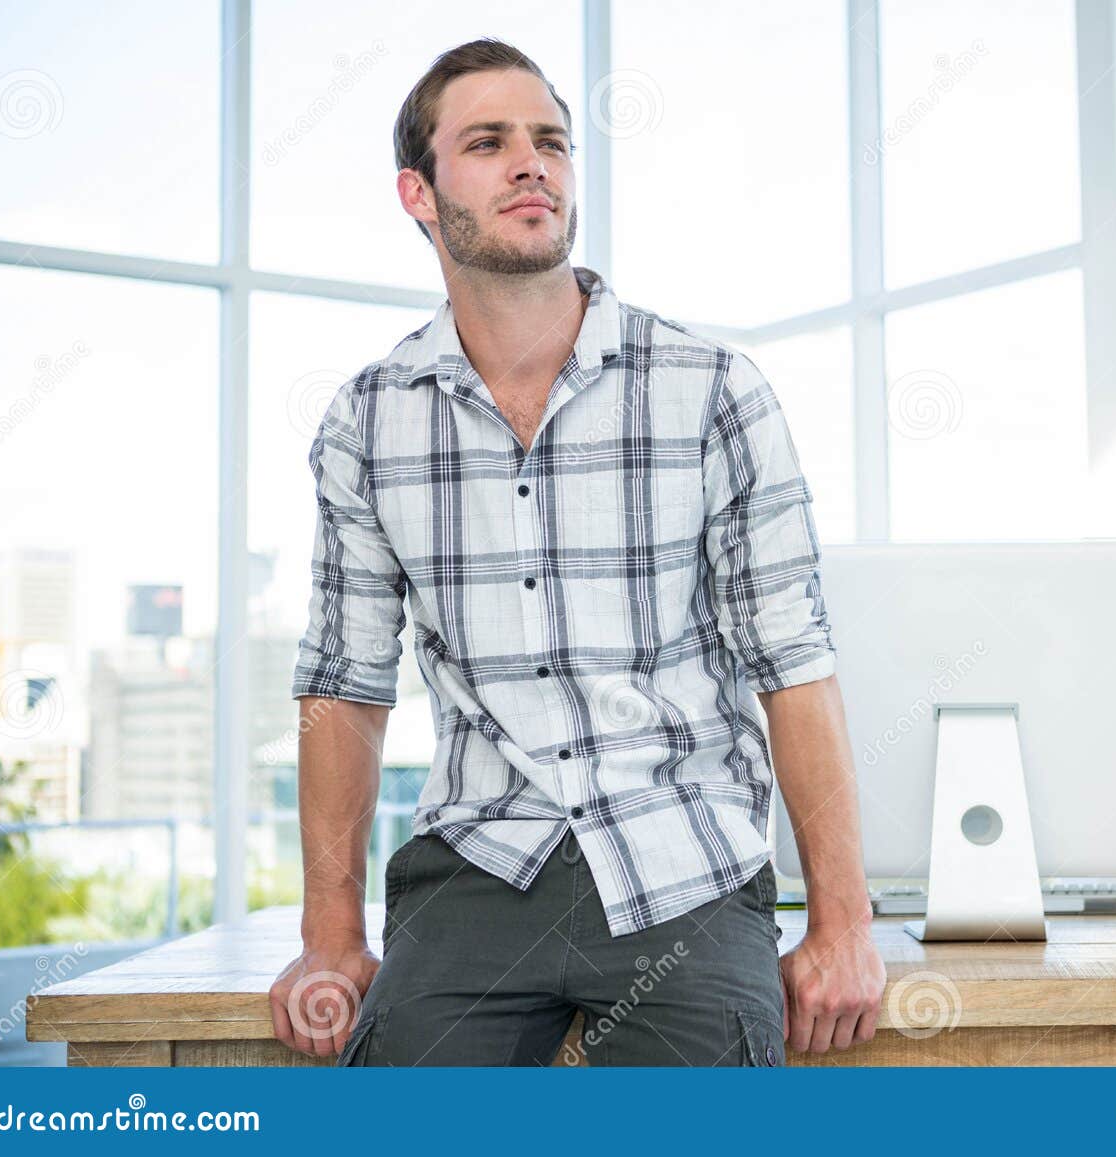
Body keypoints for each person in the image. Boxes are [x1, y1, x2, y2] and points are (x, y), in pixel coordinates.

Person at [267, 37, 884, 1066]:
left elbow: (794, 660)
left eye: (550, 140)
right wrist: (329, 938)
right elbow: (343, 686)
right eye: (488, 141)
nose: (532, 162)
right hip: (476, 866)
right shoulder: (367, 421)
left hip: (683, 857)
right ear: (418, 194)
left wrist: (844, 921)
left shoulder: (711, 387)